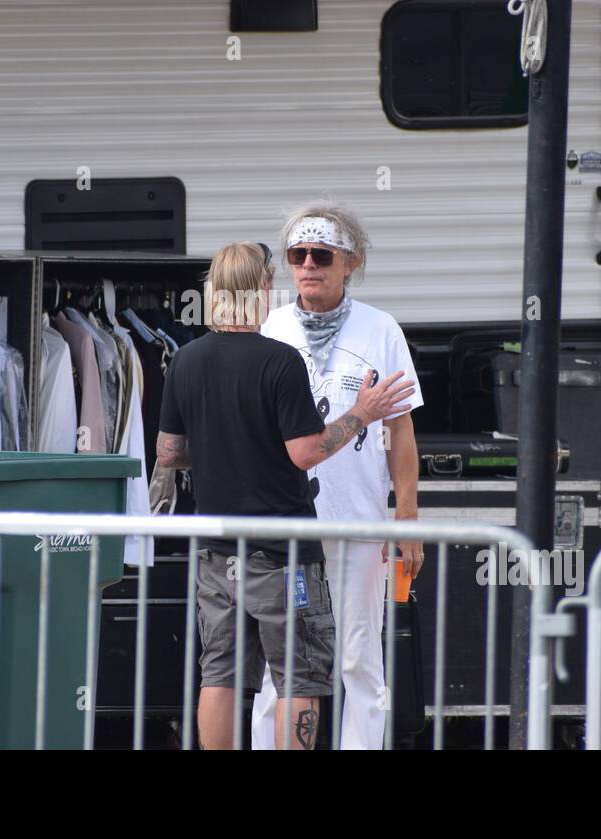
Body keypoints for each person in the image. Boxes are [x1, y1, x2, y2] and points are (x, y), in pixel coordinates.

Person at [156, 241, 414, 750]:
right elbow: (306, 452)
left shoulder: (185, 360)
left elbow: (169, 452)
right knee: (299, 674)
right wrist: (361, 412)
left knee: (221, 673)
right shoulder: (279, 362)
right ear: (261, 290)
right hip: (284, 553)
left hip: (216, 551)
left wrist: (219, 453)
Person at [250, 202, 424, 750]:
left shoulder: (381, 328)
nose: (308, 265)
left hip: (359, 519)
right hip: (286, 522)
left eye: (321, 254)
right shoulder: (272, 325)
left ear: (350, 262)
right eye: (297, 254)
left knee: (359, 659)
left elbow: (402, 431)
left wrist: (407, 517)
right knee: (277, 665)